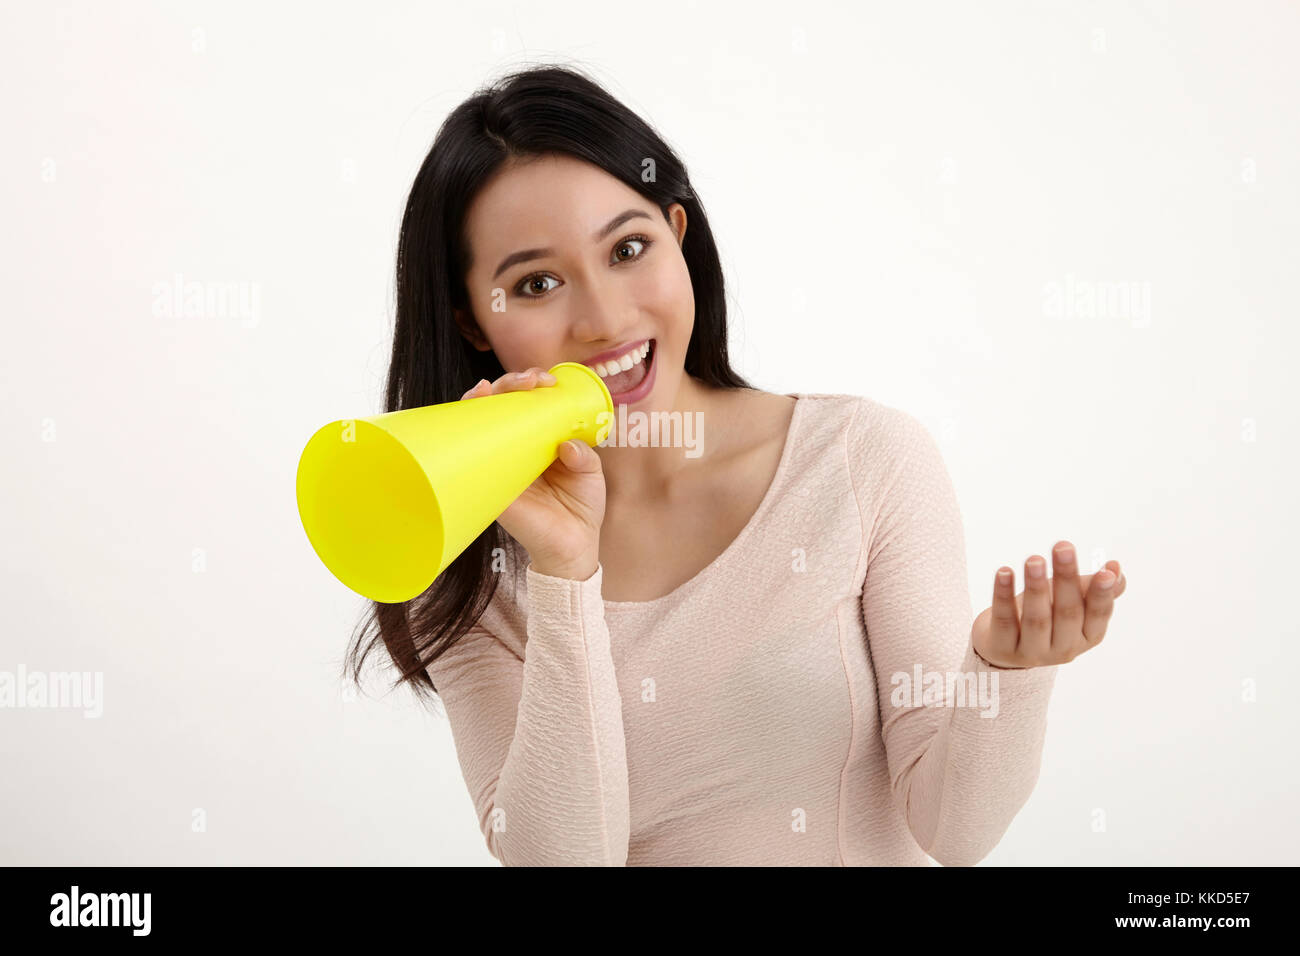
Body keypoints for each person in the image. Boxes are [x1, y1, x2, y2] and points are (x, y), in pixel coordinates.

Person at [344, 63, 1129, 866]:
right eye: (537, 283)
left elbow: (953, 833)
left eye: (629, 247)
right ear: (474, 322)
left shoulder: (864, 461)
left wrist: (1003, 675)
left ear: (680, 237)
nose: (607, 319)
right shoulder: (465, 561)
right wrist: (564, 570)